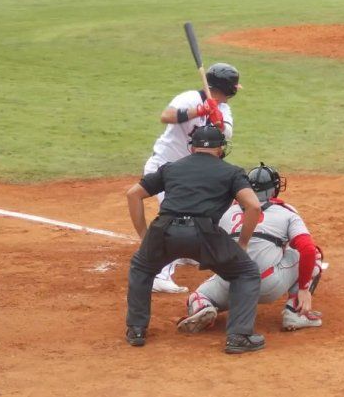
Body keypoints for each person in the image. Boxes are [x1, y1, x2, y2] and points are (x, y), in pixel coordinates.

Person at [124, 123, 266, 354]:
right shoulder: (232, 172)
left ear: (192, 147)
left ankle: (136, 330)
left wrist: (144, 236)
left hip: (165, 230)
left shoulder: (171, 168)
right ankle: (239, 336)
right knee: (245, 272)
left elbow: (133, 194)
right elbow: (253, 206)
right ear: (221, 149)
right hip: (205, 234)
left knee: (142, 267)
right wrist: (242, 243)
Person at [176, 162, 325, 335]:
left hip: (230, 283)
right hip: (267, 285)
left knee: (199, 295)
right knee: (313, 254)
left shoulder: (226, 212)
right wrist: (304, 289)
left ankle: (202, 307)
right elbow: (307, 249)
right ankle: (295, 312)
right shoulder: (286, 212)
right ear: (274, 189)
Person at [145, 62, 242, 293]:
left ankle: (187, 251)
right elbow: (166, 116)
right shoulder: (189, 98)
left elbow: (226, 133)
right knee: (174, 217)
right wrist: (198, 111)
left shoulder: (223, 108)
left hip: (188, 175)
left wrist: (216, 118)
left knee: (193, 214)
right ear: (228, 88)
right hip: (164, 169)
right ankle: (159, 275)